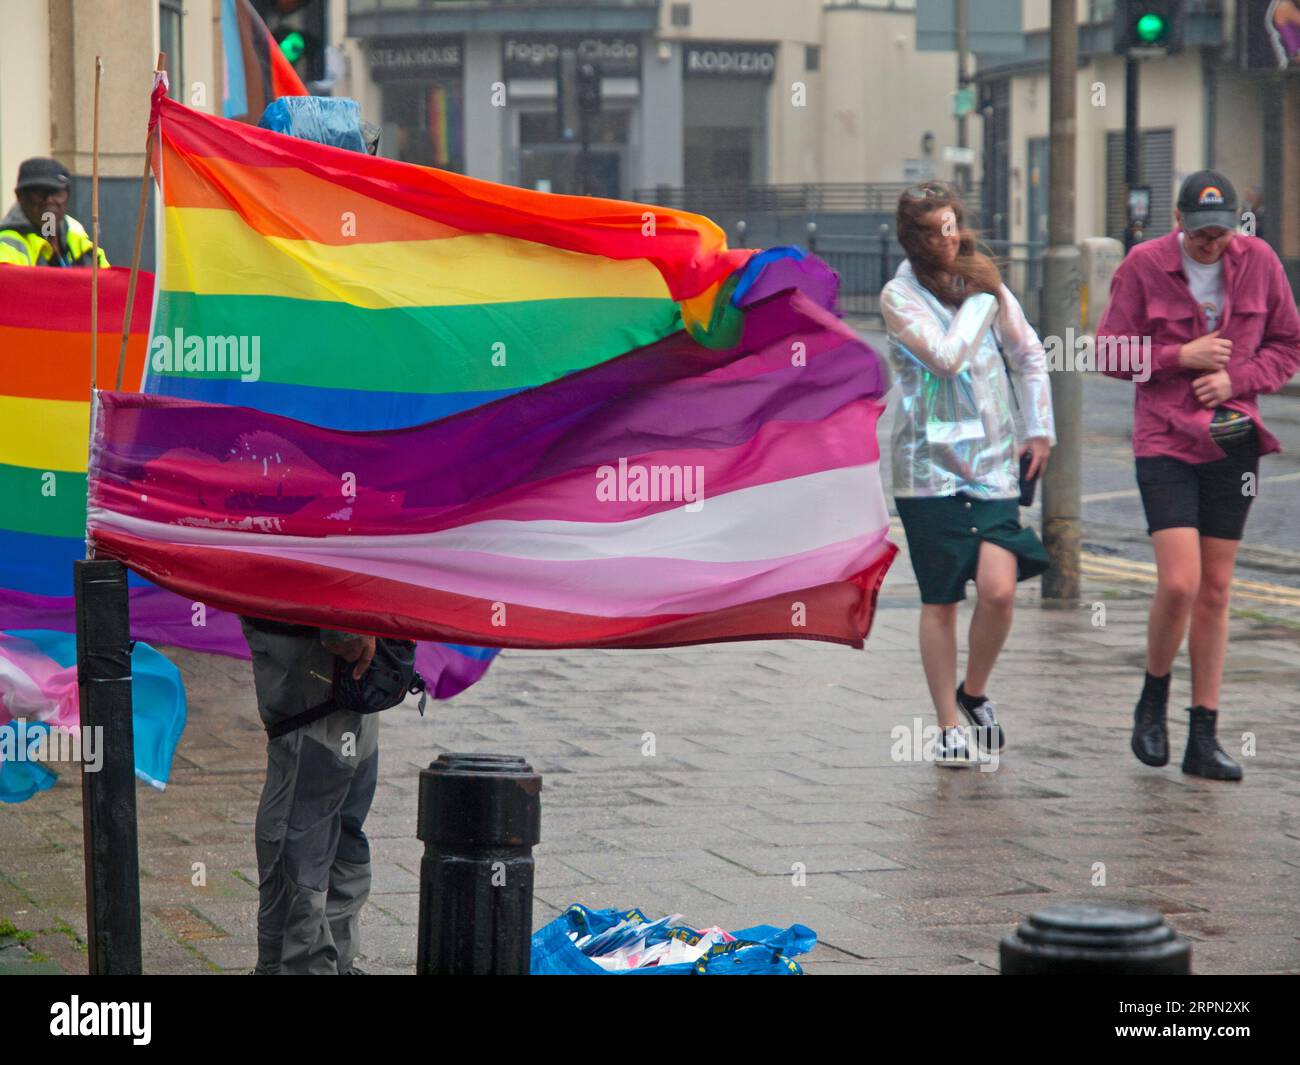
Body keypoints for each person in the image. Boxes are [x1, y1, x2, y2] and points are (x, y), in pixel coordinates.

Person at [1097, 170, 1300, 781]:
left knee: (1216, 588)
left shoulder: (1258, 260)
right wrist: (1177, 358)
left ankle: (1203, 736)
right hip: (1163, 437)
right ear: (1179, 222)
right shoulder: (1143, 265)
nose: (1213, 244)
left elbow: (1289, 344)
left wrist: (1237, 380)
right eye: (1201, 233)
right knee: (1180, 582)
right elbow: (1106, 352)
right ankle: (1152, 700)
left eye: (1223, 232)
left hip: (1232, 437)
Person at [881, 181, 1056, 767]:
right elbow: (946, 357)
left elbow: (1028, 354)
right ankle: (948, 726)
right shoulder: (898, 297)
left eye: (953, 226)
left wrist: (1040, 429)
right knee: (942, 598)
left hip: (992, 465)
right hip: (927, 470)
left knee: (1001, 592)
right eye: (934, 231)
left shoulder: (986, 283)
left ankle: (973, 692)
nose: (948, 240)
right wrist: (983, 295)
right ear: (914, 238)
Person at [0, 157, 109, 268]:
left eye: (57, 193)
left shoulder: (73, 230)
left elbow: (104, 277)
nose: (50, 200)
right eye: (40, 193)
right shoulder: (6, 244)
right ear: (20, 196)